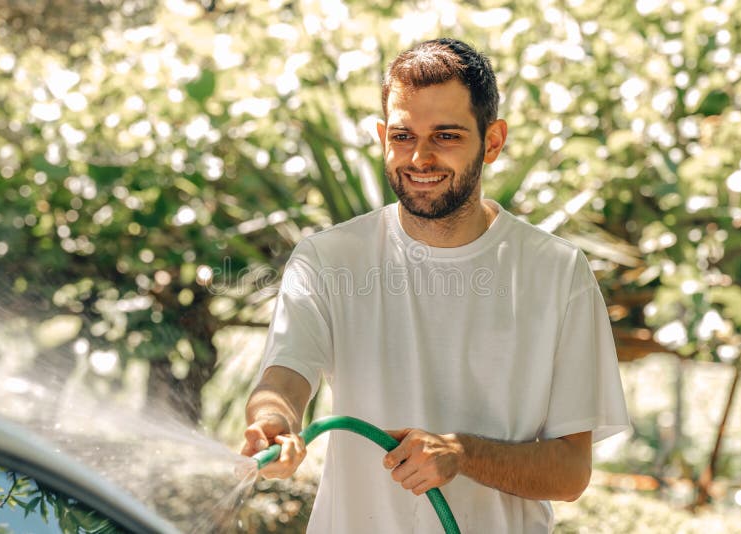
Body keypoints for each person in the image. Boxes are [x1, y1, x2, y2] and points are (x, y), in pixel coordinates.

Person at [241, 37, 629, 533]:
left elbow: (571, 472)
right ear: (383, 135)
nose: (420, 157)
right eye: (403, 136)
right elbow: (285, 377)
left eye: (445, 136)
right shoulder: (329, 259)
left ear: (493, 141)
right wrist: (274, 423)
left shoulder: (557, 273)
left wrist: (462, 453)